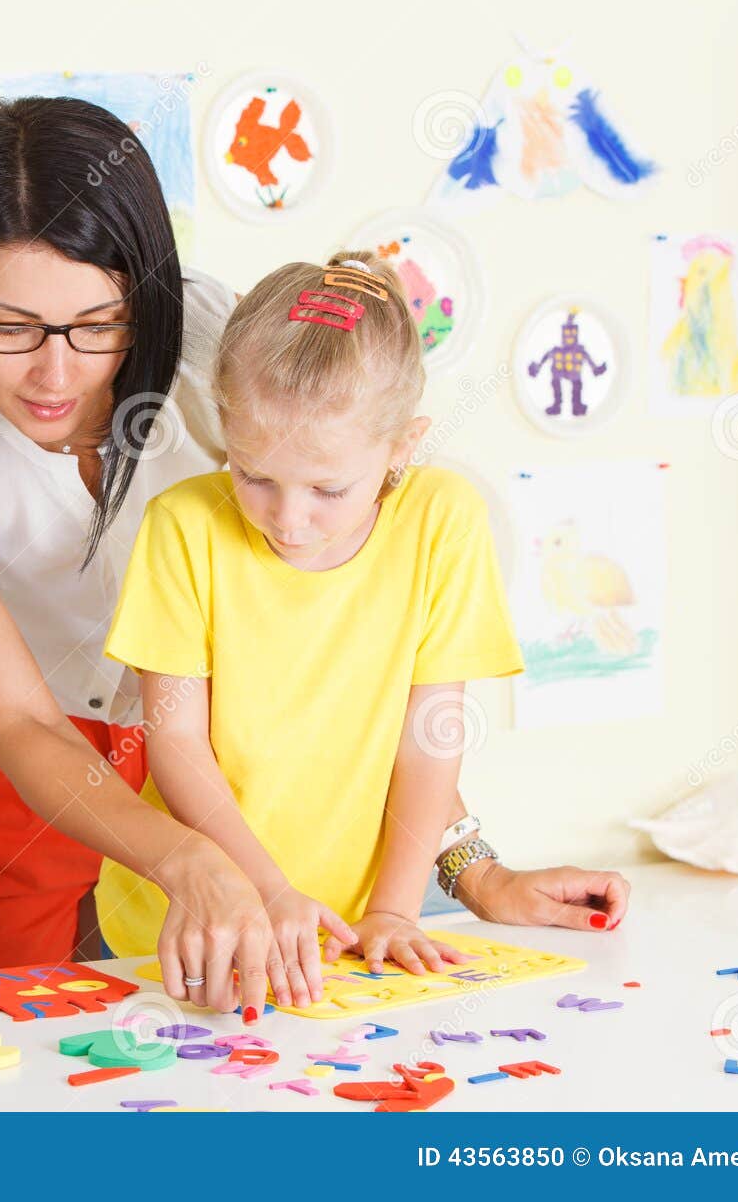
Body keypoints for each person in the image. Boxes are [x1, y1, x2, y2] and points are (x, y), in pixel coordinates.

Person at [0, 98, 629, 1014]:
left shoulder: (218, 344)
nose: (57, 375)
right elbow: (24, 729)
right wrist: (188, 857)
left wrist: (471, 868)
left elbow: (361, 653)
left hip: (216, 748)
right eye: (8, 328)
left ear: (147, 291)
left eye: (99, 323)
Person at [99, 252, 519, 1009]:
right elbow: (179, 744)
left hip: (356, 930)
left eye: (328, 488)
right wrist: (266, 891)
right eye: (254, 474)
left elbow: (429, 737)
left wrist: (395, 908)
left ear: (402, 447)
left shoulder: (443, 520)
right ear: (224, 427)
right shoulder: (182, 528)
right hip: (182, 927)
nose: (288, 521)